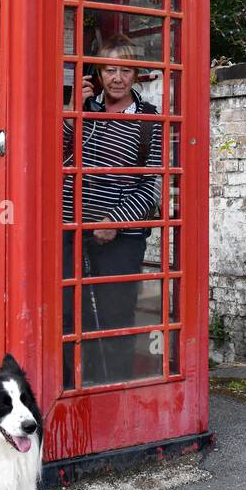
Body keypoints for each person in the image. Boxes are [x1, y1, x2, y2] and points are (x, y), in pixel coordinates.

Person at [62, 35, 162, 386]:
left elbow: (153, 185)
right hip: (71, 229)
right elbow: (53, 158)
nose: (117, 78)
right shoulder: (82, 110)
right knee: (70, 314)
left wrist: (115, 221)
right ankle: (76, 387)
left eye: (125, 70)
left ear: (135, 74)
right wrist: (75, 109)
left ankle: (117, 393)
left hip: (121, 238)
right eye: (109, 69)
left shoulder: (151, 121)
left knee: (116, 315)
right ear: (98, 73)